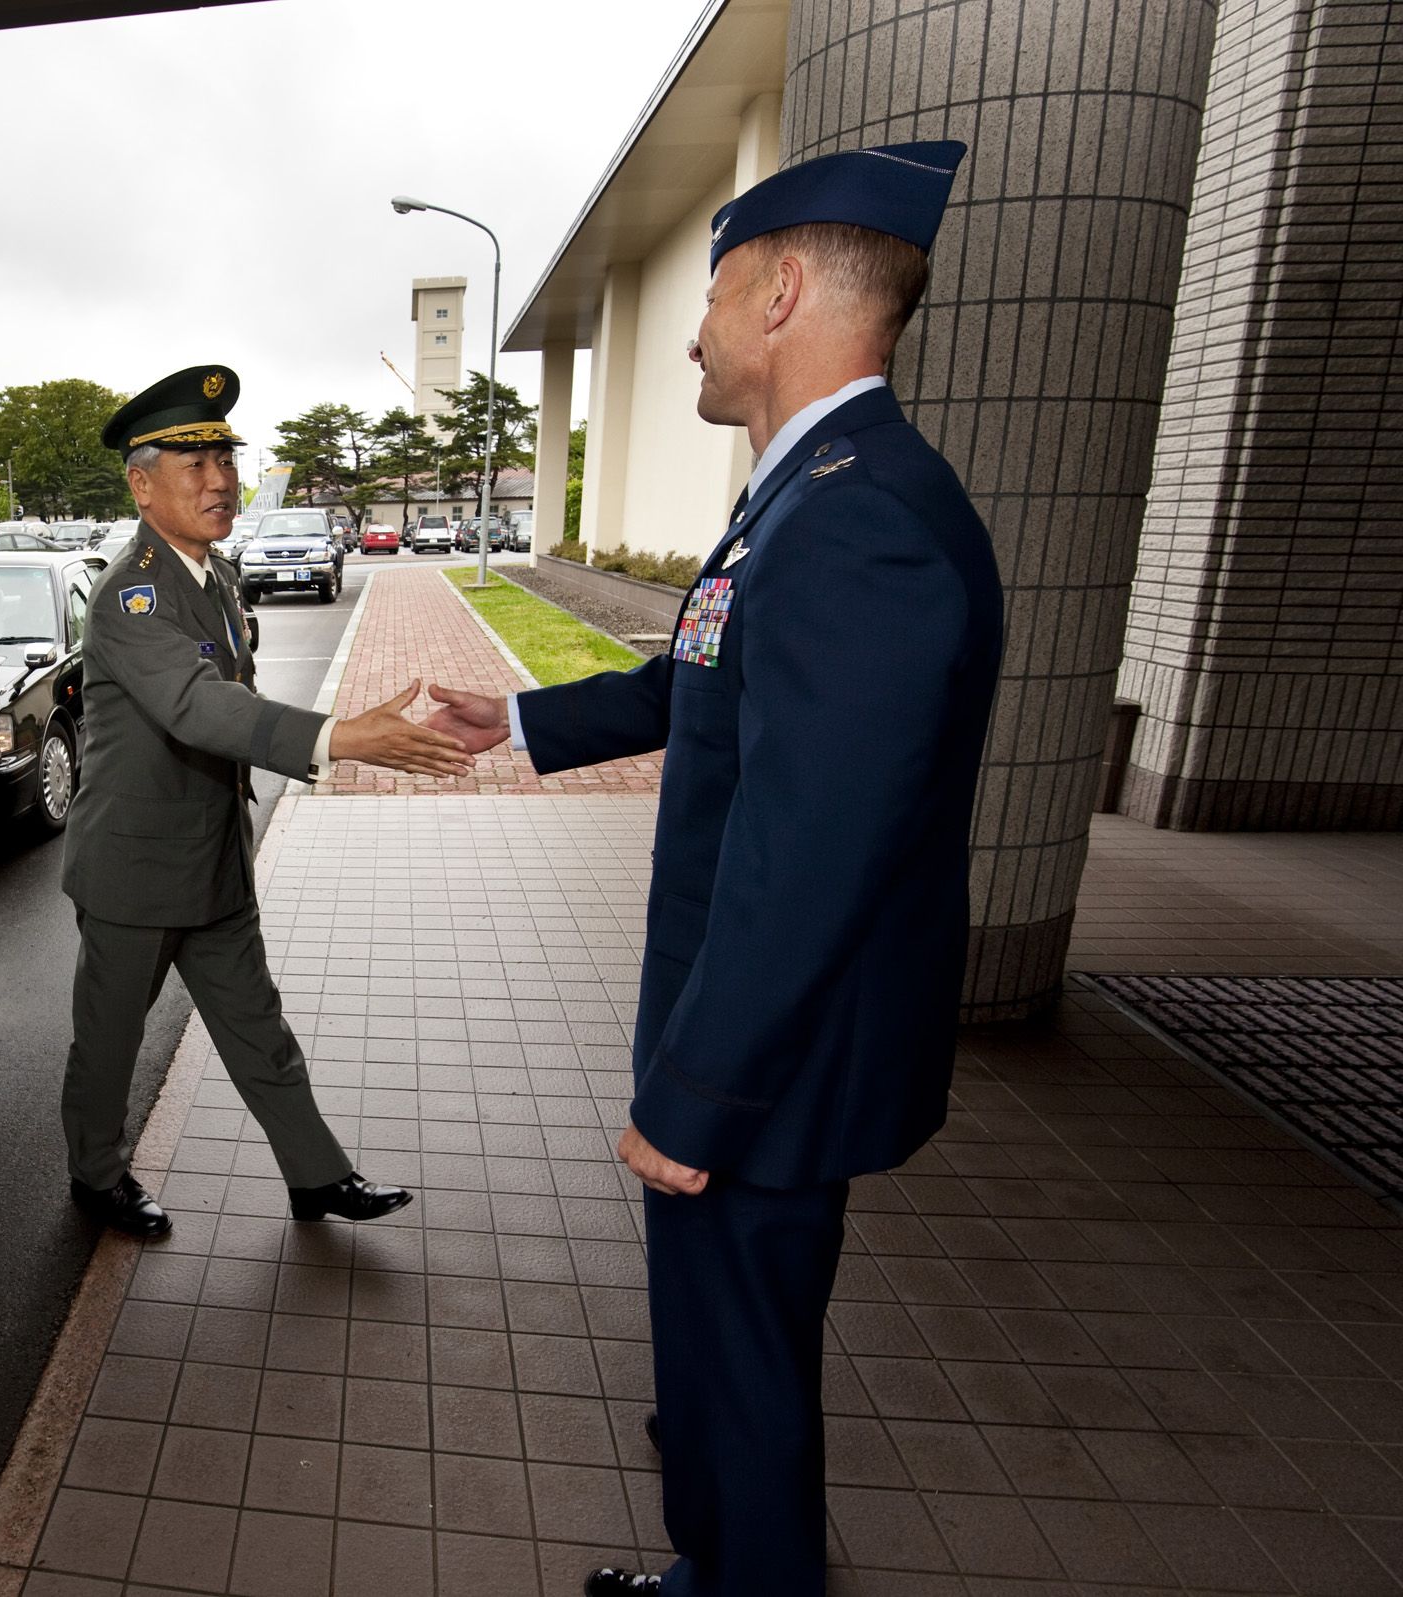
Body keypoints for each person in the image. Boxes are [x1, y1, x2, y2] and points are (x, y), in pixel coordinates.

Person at [424, 143, 1003, 1597]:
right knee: (719, 1353)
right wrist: (524, 719)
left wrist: (694, 1093)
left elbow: (814, 854)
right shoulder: (810, 490)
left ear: (784, 292)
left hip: (770, 1062)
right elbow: (707, 677)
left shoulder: (858, 519)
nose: (693, 333)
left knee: (741, 1363)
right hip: (756, 1038)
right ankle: (714, 1564)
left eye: (714, 294)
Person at [60, 364, 469, 1236]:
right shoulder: (131, 593)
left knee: (258, 1027)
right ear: (142, 485)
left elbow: (231, 700)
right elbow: (199, 707)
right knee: (110, 1041)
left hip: (212, 861)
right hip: (134, 872)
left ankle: (316, 1175)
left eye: (226, 462)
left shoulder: (216, 576)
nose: (220, 482)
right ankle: (95, 1177)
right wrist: (340, 736)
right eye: (195, 466)